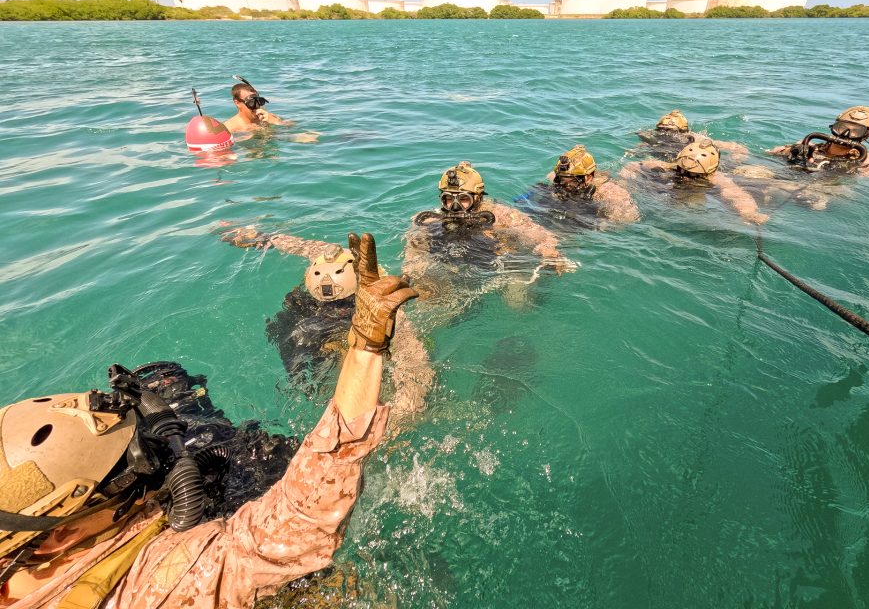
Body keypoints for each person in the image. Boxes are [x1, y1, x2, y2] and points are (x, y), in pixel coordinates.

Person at [0, 233, 416, 609]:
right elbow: (301, 519)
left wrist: (259, 236)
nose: (148, 458)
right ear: (59, 535)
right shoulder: (162, 584)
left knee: (164, 381)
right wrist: (367, 348)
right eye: (129, 465)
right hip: (231, 523)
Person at [218, 227, 433, 420]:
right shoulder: (380, 308)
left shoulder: (321, 259)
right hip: (337, 337)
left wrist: (253, 236)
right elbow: (414, 362)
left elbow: (294, 243)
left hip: (309, 332)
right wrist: (404, 411)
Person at [402, 161, 572, 317]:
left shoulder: (501, 215)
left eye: (464, 199)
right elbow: (415, 250)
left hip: (499, 264)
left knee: (518, 303)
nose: (455, 206)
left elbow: (540, 234)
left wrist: (549, 252)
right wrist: (410, 273)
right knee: (430, 304)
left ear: (478, 197)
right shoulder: (429, 220)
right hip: (454, 265)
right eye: (448, 199)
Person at [620, 138, 770, 225]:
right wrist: (625, 182)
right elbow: (633, 165)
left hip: (696, 194)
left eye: (692, 174)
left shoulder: (717, 178)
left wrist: (749, 213)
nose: (685, 176)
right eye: (681, 170)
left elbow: (736, 195)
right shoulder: (670, 166)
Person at [518, 145, 640, 230]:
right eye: (560, 179)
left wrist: (596, 212)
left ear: (588, 178)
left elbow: (628, 219)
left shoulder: (609, 191)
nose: (564, 185)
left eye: (571, 182)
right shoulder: (554, 178)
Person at [769, 105, 869, 177]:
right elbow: (770, 153)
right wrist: (791, 151)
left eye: (856, 131)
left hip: (824, 189)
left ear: (867, 135)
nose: (845, 135)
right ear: (834, 127)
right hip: (788, 176)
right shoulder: (809, 145)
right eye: (841, 128)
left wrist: (851, 169)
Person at [633, 110, 749, 163]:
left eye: (670, 130)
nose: (665, 133)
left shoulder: (696, 138)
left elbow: (737, 148)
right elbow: (638, 150)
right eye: (662, 130)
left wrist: (736, 159)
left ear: (684, 131)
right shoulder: (654, 139)